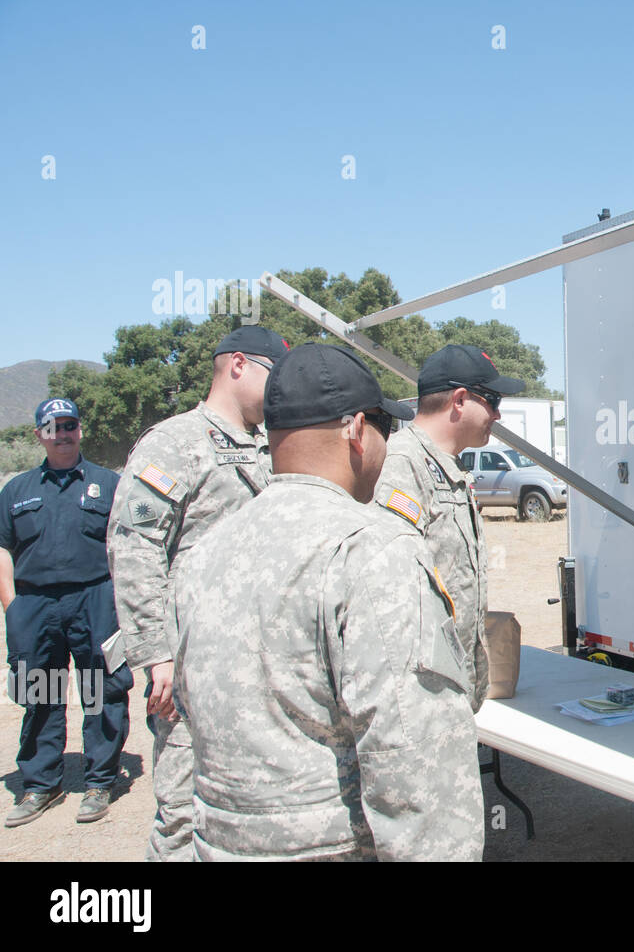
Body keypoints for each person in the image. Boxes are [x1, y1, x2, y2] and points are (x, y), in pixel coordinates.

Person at [172, 343, 484, 861]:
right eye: (388, 428)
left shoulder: (207, 551)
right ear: (357, 431)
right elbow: (417, 764)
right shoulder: (371, 551)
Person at [106, 325, 289, 860]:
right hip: (191, 667)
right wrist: (156, 654)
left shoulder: (267, 448)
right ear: (237, 365)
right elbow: (135, 548)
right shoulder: (174, 443)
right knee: (186, 812)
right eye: (272, 376)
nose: (279, 393)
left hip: (259, 664)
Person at [371, 344, 524, 712]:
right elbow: (391, 589)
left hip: (449, 684)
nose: (498, 413)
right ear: (459, 400)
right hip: (418, 692)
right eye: (491, 399)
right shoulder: (402, 465)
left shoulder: (445, 466)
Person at [1, 399, 133, 826]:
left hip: (93, 600)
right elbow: (2, 548)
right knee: (40, 693)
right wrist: (12, 605)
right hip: (35, 604)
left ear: (80, 429)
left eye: (69, 425)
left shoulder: (108, 483)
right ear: (38, 433)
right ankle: (41, 784)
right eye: (52, 426)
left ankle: (99, 781)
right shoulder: (17, 490)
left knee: (99, 691)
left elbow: (128, 546)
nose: (62, 433)